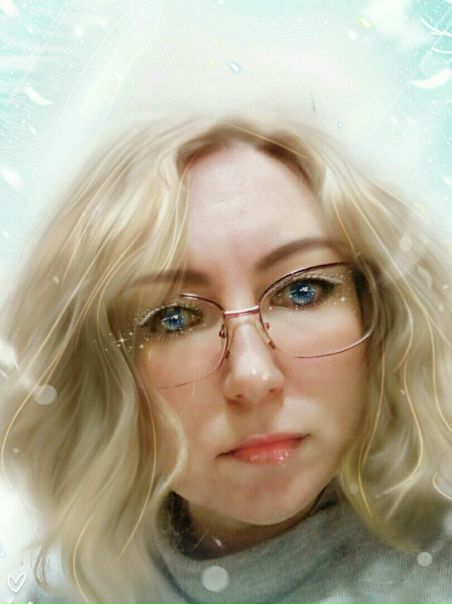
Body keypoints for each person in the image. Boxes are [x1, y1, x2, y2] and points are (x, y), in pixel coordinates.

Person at [1, 112, 452, 604]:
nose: (253, 376)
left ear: (380, 311)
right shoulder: (66, 588)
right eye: (174, 317)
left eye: (302, 292)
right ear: (99, 367)